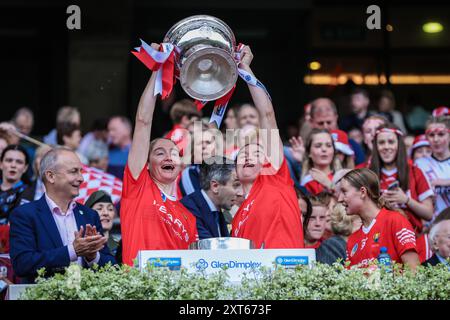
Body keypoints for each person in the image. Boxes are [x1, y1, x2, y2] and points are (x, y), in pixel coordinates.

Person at [120, 43, 198, 266]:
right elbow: (143, 122)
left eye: (173, 153)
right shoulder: (138, 186)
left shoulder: (189, 217)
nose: (167, 157)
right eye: (159, 152)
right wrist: (158, 69)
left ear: (181, 164)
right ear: (145, 164)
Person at [231, 45, 304, 249]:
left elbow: (267, 115)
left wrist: (245, 69)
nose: (248, 157)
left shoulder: (274, 177)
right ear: (235, 170)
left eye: (256, 153)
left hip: (287, 274)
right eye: (243, 154)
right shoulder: (236, 220)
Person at [9, 147, 116, 283]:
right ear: (50, 176)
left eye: (81, 171)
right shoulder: (25, 215)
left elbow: (112, 266)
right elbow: (22, 264)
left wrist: (92, 256)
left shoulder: (89, 215)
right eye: (74, 172)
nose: (81, 178)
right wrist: (72, 251)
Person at [339, 168, 420, 269]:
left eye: (344, 192)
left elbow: (414, 270)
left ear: (362, 192)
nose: (339, 199)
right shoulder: (352, 240)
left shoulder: (395, 221)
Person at [370, 124, 434, 234]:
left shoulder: (415, 172)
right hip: (378, 238)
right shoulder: (368, 174)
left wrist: (406, 200)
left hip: (413, 237)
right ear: (376, 146)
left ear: (399, 144)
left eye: (391, 142)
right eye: (381, 143)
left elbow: (428, 214)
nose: (386, 146)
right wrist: (380, 204)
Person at [181, 157, 242, 239]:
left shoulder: (219, 211)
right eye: (236, 185)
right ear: (215, 186)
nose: (240, 193)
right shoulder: (188, 209)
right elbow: (209, 248)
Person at [309, 97, 365, 165]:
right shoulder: (303, 147)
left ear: (336, 118)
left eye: (329, 122)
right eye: (320, 123)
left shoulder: (353, 146)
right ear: (311, 122)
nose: (325, 127)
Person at [415, 116, 450, 220]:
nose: (436, 139)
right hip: (431, 226)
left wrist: (444, 182)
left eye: (441, 134)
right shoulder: (419, 164)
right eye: (431, 135)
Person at [300, 129, 341, 196]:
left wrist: (328, 184)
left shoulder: (344, 177)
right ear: (309, 153)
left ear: (334, 151)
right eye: (318, 146)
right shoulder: (307, 182)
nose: (324, 149)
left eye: (328, 145)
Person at [0, 145, 30, 226]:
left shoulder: (29, 193)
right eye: (9, 160)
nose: (13, 165)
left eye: (19, 162)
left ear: (25, 168)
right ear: (1, 164)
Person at [85, 190, 119, 257]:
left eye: (110, 209)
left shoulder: (120, 247)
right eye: (99, 208)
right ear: (88, 213)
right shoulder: (81, 247)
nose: (106, 213)